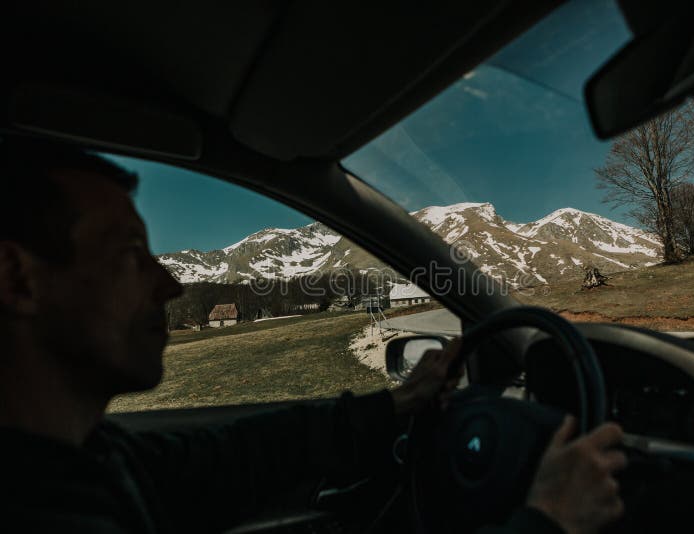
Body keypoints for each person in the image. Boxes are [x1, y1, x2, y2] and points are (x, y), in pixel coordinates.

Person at [0, 138, 626, 533]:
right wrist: (549, 521)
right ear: (17, 279)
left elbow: (234, 458)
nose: (168, 282)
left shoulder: (92, 457)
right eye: (131, 254)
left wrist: (398, 404)